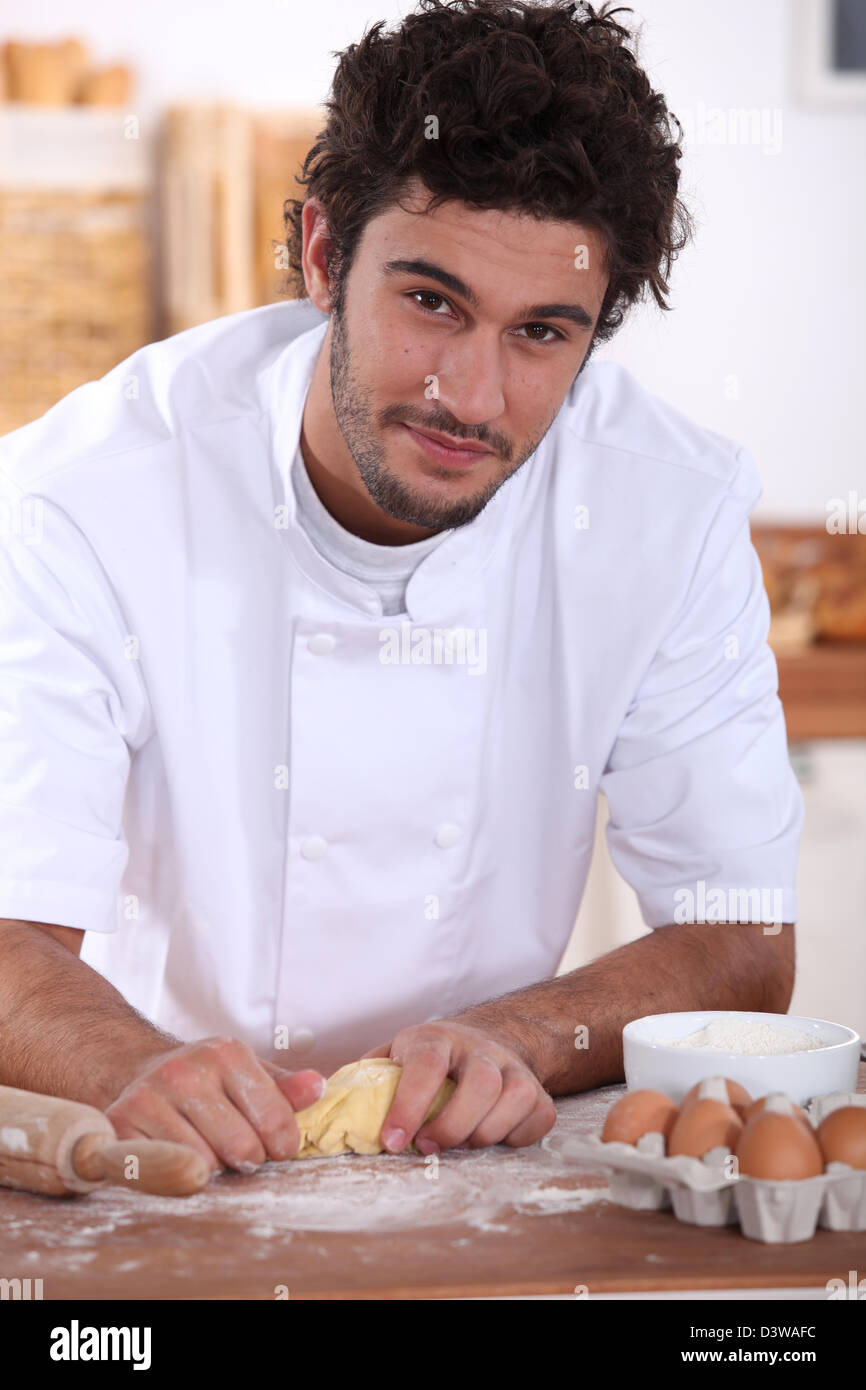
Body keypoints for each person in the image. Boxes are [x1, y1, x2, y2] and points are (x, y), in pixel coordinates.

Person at [0, 0, 803, 1175]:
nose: (470, 397)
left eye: (540, 333)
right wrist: (128, 1066)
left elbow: (742, 938)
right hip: (153, 1168)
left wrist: (518, 1038)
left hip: (480, 1175)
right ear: (324, 256)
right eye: (431, 302)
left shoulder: (663, 510)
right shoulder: (82, 496)